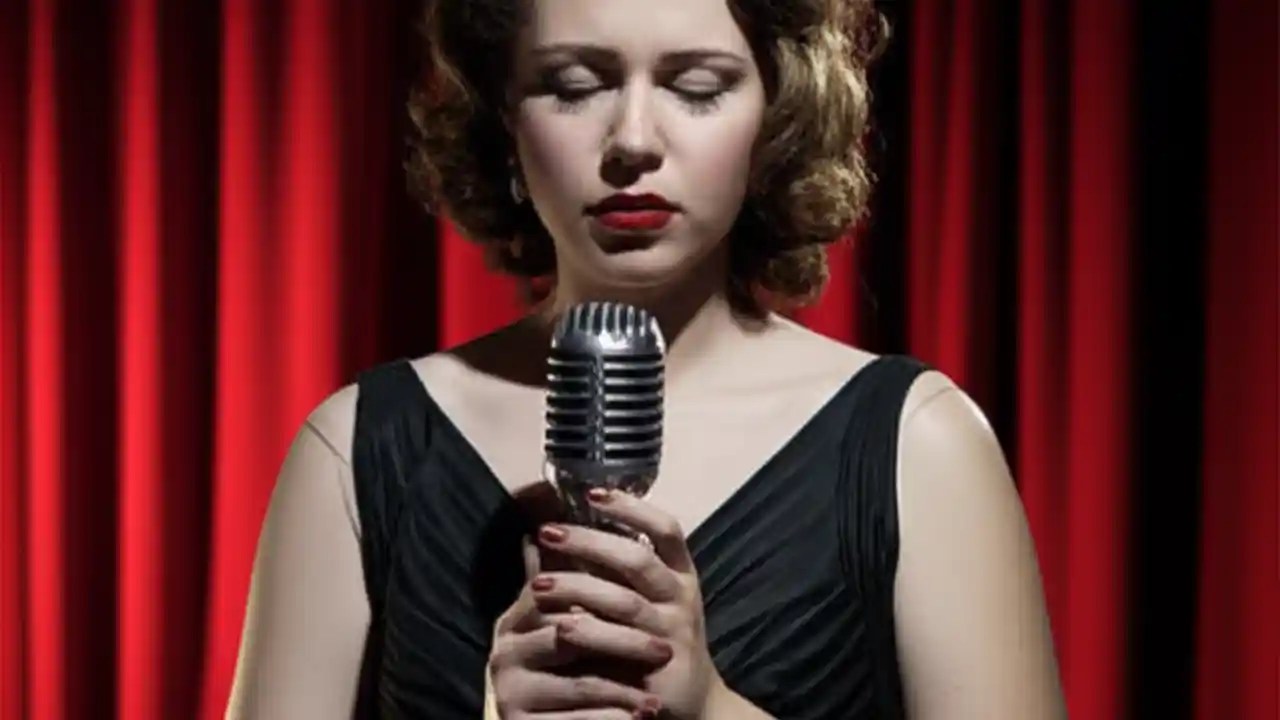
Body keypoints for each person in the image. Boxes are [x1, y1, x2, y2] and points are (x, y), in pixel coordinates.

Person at [226, 0, 1066, 717]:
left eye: (697, 88)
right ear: (504, 118)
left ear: (775, 116)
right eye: (573, 86)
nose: (632, 139)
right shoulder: (357, 448)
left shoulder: (920, 446)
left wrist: (712, 708)